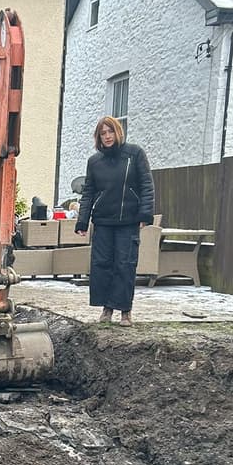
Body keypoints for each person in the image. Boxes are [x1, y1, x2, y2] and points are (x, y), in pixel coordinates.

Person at [74, 116, 154, 326]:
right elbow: (88, 192)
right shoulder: (94, 161)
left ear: (118, 132)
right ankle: (106, 308)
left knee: (125, 265)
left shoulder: (134, 154)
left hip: (128, 222)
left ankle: (125, 311)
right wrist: (82, 221)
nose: (107, 136)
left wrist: (145, 215)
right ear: (98, 137)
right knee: (102, 265)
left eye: (110, 132)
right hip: (103, 222)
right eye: (103, 133)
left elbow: (147, 185)